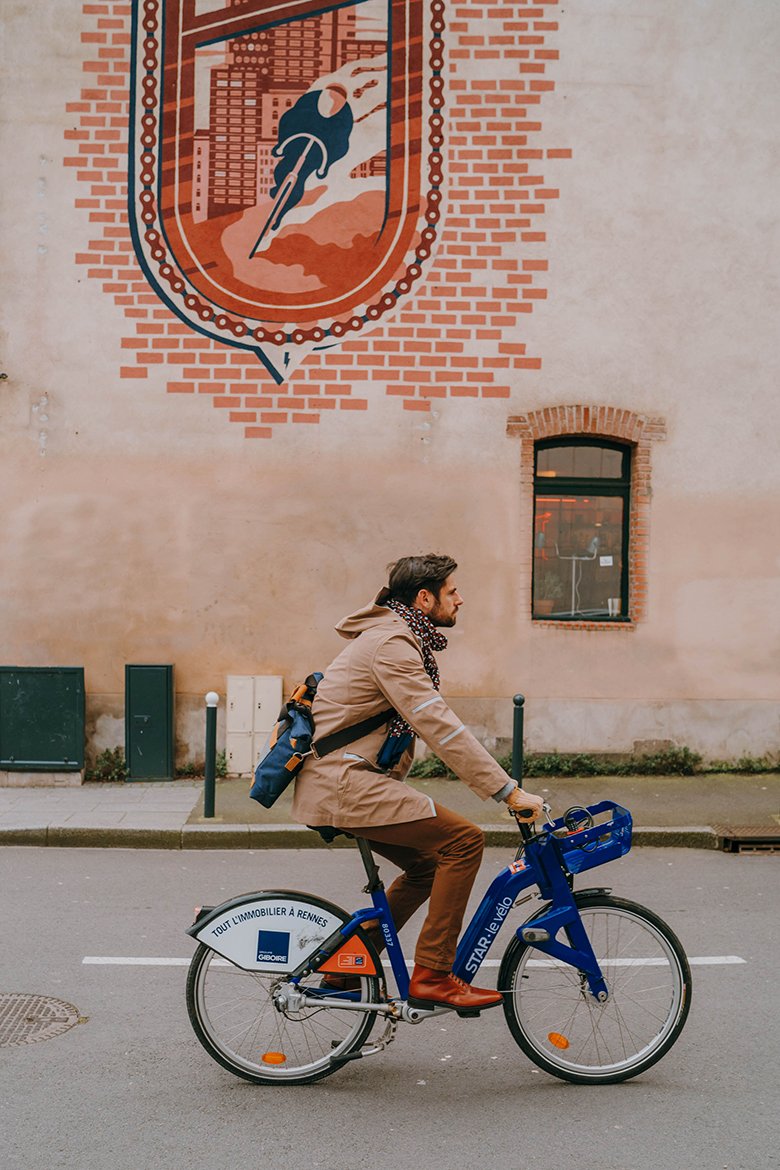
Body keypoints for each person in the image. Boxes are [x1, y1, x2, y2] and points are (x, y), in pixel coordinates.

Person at [291, 554, 544, 1013]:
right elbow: (437, 725)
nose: (461, 599)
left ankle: (345, 967)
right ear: (424, 598)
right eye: (452, 591)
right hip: (344, 783)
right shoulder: (392, 644)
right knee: (464, 842)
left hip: (347, 780)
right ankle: (433, 975)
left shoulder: (401, 638)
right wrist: (508, 791)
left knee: (428, 865)